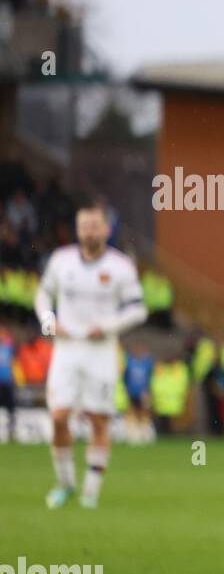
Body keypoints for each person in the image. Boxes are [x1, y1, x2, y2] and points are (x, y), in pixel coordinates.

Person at [34, 199, 147, 508]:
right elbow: (43, 294)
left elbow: (138, 309)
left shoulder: (120, 266)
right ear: (77, 230)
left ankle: (91, 492)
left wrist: (108, 326)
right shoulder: (61, 260)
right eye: (84, 226)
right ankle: (66, 483)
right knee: (58, 416)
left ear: (106, 230)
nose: (89, 231)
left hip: (101, 352)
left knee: (99, 420)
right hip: (67, 349)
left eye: (94, 226)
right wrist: (48, 321)